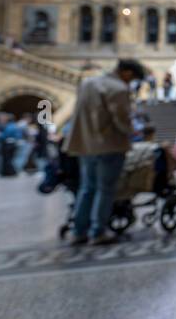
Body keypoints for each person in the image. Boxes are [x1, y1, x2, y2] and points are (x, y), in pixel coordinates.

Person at [63, 57, 146, 245]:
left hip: (86, 145)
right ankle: (97, 231)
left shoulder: (87, 83)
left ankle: (78, 231)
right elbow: (121, 120)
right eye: (131, 79)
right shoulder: (118, 89)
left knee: (86, 188)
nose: (129, 83)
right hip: (109, 145)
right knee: (105, 189)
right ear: (127, 73)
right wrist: (134, 131)